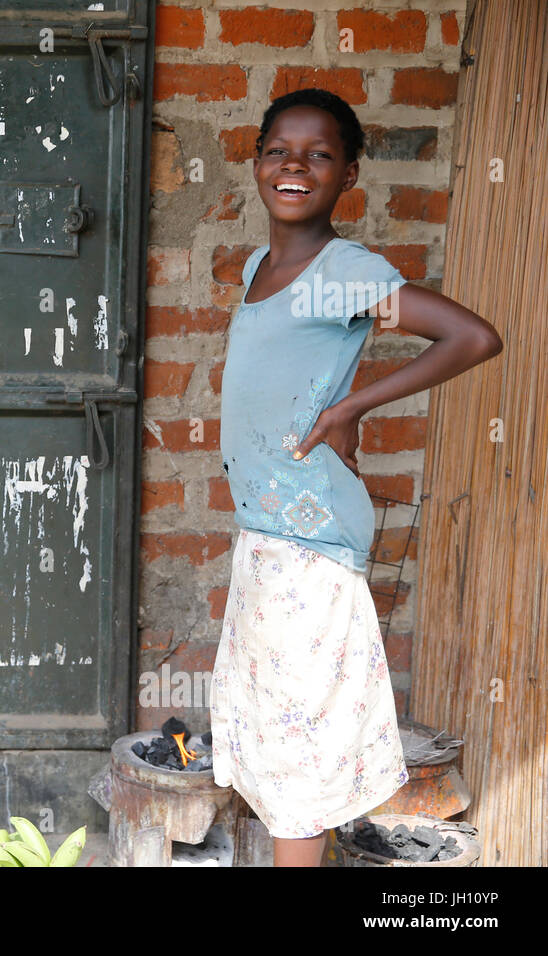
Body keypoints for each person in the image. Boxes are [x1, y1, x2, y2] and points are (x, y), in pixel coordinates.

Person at [209, 89, 502, 867]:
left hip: (308, 544)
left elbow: (470, 336)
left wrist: (354, 406)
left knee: (299, 759)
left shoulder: (340, 272)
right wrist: (343, 402)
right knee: (276, 738)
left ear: (349, 175)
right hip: (268, 537)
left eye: (319, 154)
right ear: (257, 161)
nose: (294, 166)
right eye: (278, 150)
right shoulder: (260, 267)